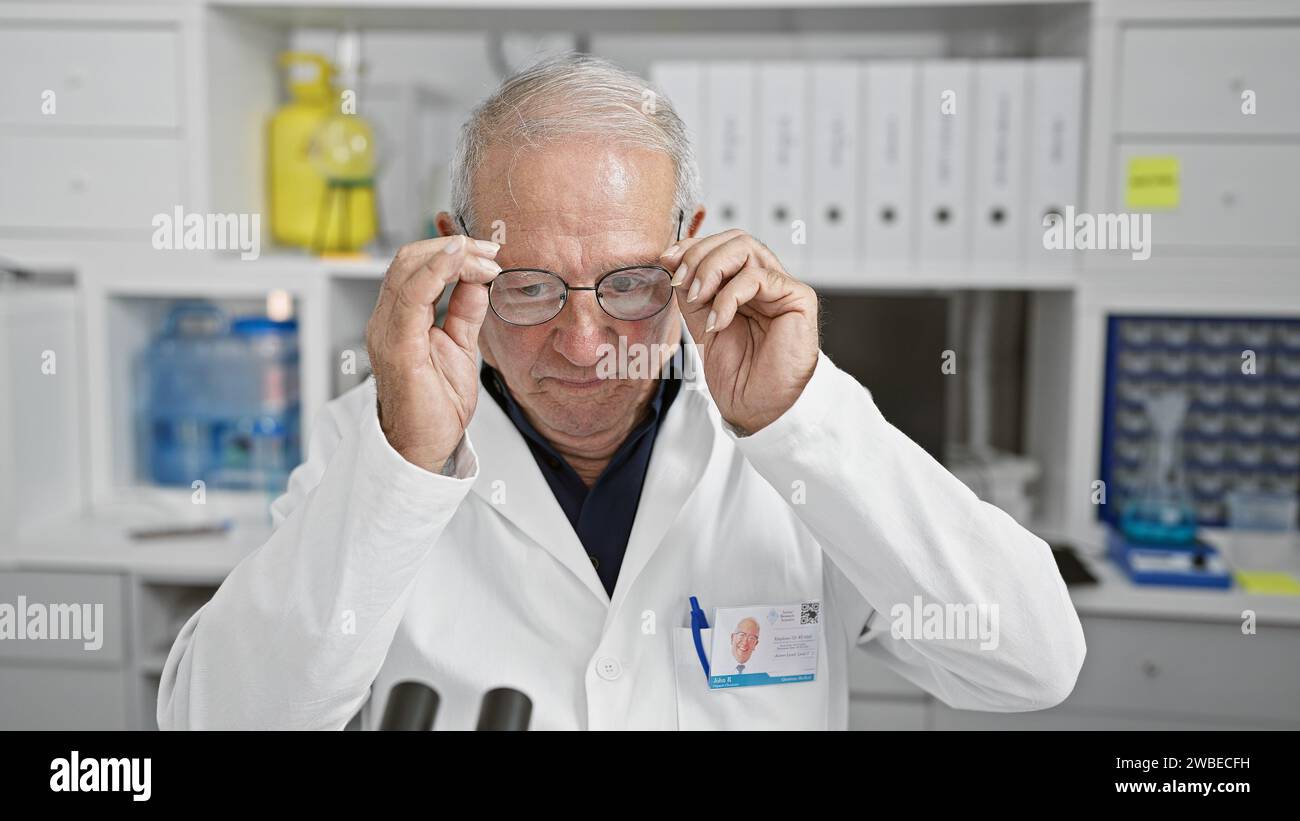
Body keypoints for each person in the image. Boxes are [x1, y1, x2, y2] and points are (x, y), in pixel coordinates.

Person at [158, 53, 1085, 730]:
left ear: (691, 245)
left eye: (631, 281)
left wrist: (802, 420)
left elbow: (1033, 661)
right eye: (527, 285)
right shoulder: (373, 443)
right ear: (457, 254)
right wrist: (404, 467)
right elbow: (216, 722)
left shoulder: (794, 444)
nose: (585, 339)